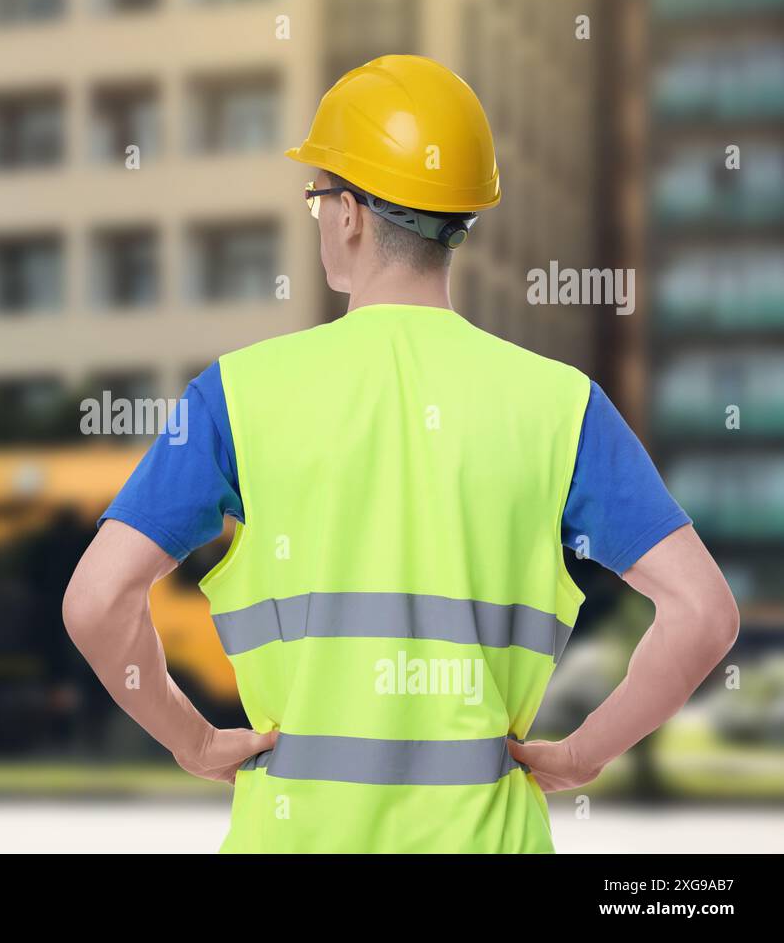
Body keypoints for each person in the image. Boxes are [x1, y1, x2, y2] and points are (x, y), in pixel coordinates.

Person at [62, 55, 739, 852]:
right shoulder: (563, 407)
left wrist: (194, 741)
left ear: (349, 212)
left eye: (317, 195)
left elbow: (96, 602)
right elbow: (705, 615)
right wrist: (584, 755)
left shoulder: (237, 395)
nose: (317, 215)